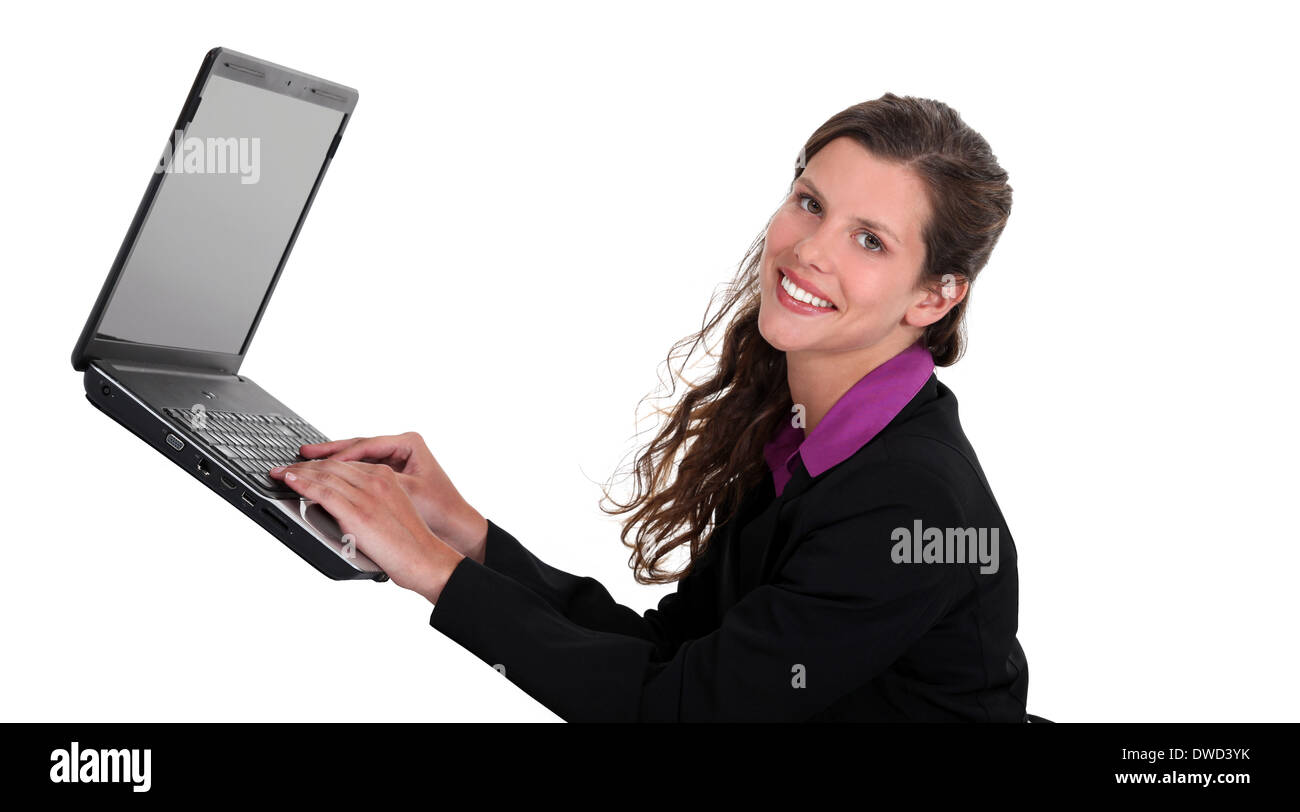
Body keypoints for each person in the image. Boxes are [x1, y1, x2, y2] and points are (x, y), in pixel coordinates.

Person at [269, 93, 1029, 722]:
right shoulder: (800, 435)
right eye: (809, 203)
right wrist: (463, 535)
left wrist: (430, 569)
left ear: (935, 294)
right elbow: (672, 657)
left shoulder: (909, 503)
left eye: (869, 240)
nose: (810, 251)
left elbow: (676, 713)